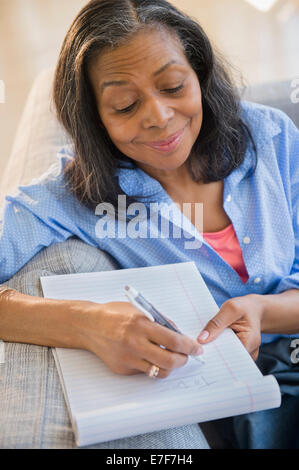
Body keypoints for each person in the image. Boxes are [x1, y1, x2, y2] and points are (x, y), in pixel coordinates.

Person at [0, 0, 298, 448]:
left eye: (174, 86)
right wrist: (86, 324)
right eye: (124, 105)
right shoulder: (70, 195)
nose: (158, 117)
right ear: (94, 118)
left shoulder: (272, 138)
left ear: (199, 73)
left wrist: (262, 311)